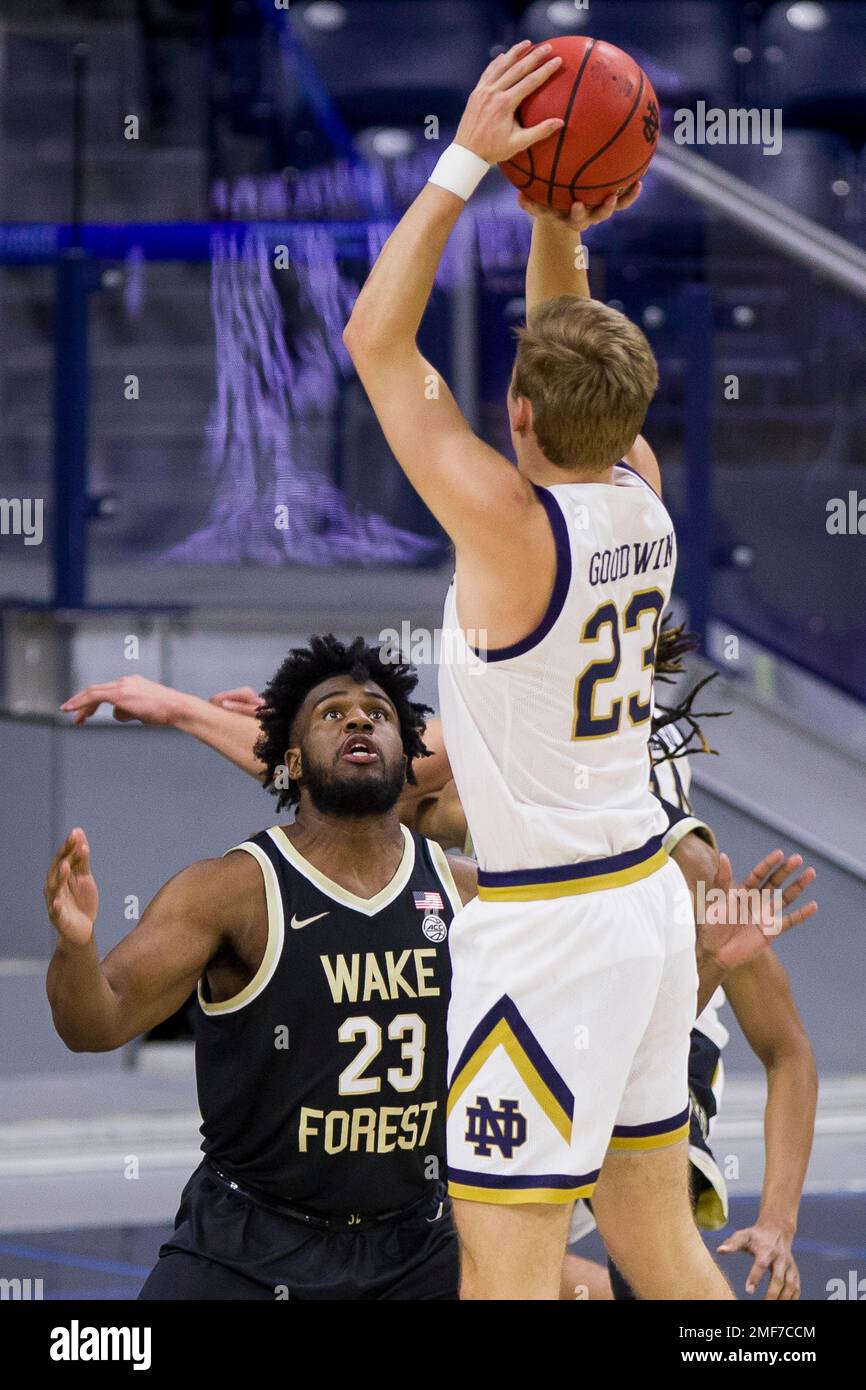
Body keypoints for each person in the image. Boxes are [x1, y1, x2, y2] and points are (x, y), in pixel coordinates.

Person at [340, 39, 738, 1298]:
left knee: (504, 1267)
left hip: (549, 929)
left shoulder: (510, 538)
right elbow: (563, 351)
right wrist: (557, 215)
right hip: (644, 911)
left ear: (517, 417)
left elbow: (372, 340)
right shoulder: (642, 496)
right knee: (656, 1245)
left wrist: (468, 158)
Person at [46, 637, 476, 1301]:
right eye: (333, 713)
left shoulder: (466, 892)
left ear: (412, 756)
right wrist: (76, 944)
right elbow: (93, 1024)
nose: (360, 720)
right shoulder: (230, 891)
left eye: (379, 714)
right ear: (292, 762)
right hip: (249, 1244)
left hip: (416, 1246)